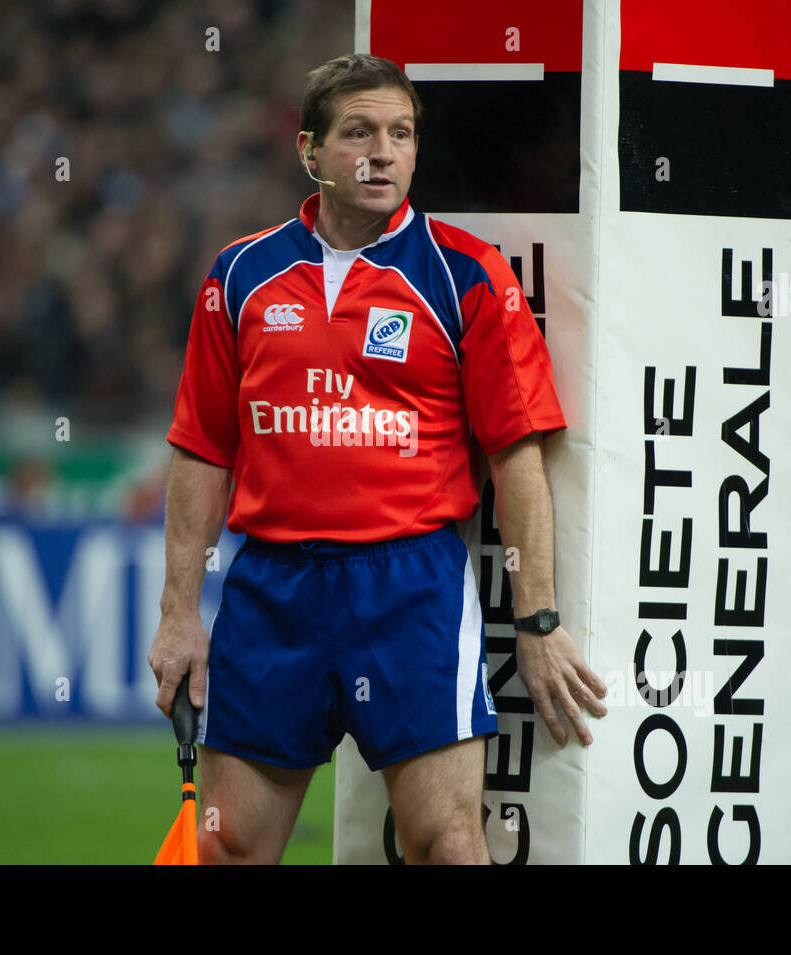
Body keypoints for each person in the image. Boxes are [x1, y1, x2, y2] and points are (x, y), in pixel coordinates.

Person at [150, 53, 607, 865]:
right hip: (272, 589)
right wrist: (179, 613)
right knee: (227, 848)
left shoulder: (467, 275)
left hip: (411, 588)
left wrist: (537, 621)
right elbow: (202, 449)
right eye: (359, 132)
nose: (383, 153)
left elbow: (518, 459)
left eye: (401, 134)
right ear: (310, 150)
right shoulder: (241, 275)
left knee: (448, 844)